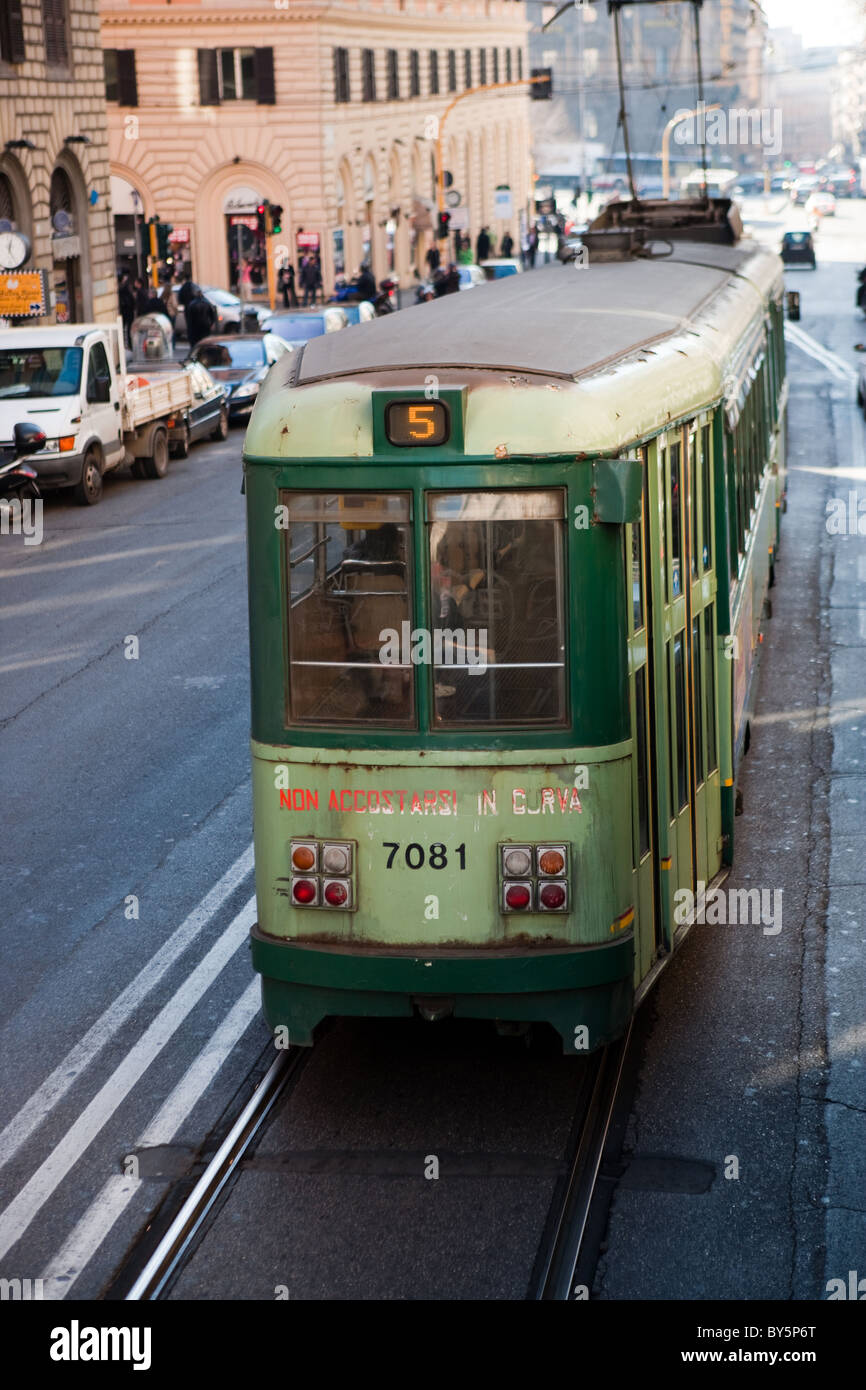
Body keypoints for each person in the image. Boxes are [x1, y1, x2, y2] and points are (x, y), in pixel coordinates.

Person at [159, 280, 178, 349]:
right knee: (172, 330)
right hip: (171, 314)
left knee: (165, 330)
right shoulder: (172, 295)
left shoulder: (162, 295)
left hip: (164, 315)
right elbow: (175, 305)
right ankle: (172, 345)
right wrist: (176, 312)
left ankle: (166, 344)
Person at [118, 275, 135, 347]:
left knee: (124, 328)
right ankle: (129, 344)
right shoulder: (126, 288)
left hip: (124, 311)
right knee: (128, 328)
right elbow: (132, 300)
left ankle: (125, 343)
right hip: (128, 311)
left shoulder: (121, 289)